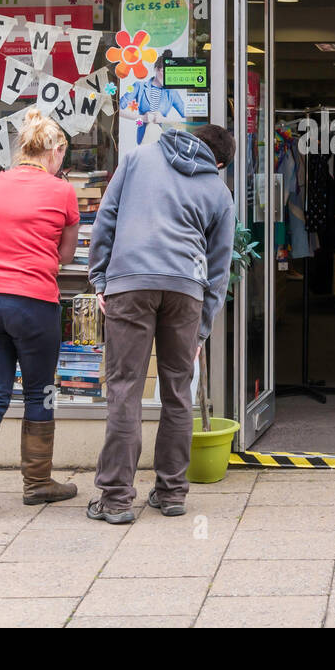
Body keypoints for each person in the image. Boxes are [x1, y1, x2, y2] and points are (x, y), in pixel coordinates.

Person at [86, 125, 236, 522]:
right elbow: (219, 268)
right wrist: (202, 328)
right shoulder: (219, 191)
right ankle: (171, 494)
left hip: (130, 283)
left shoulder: (136, 159)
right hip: (186, 289)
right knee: (177, 392)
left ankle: (116, 500)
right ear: (218, 162)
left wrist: (101, 278)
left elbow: (106, 219)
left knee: (125, 387)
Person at [0, 109, 80, 516]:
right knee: (39, 391)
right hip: (33, 301)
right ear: (55, 152)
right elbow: (64, 255)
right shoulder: (62, 191)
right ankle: (38, 483)